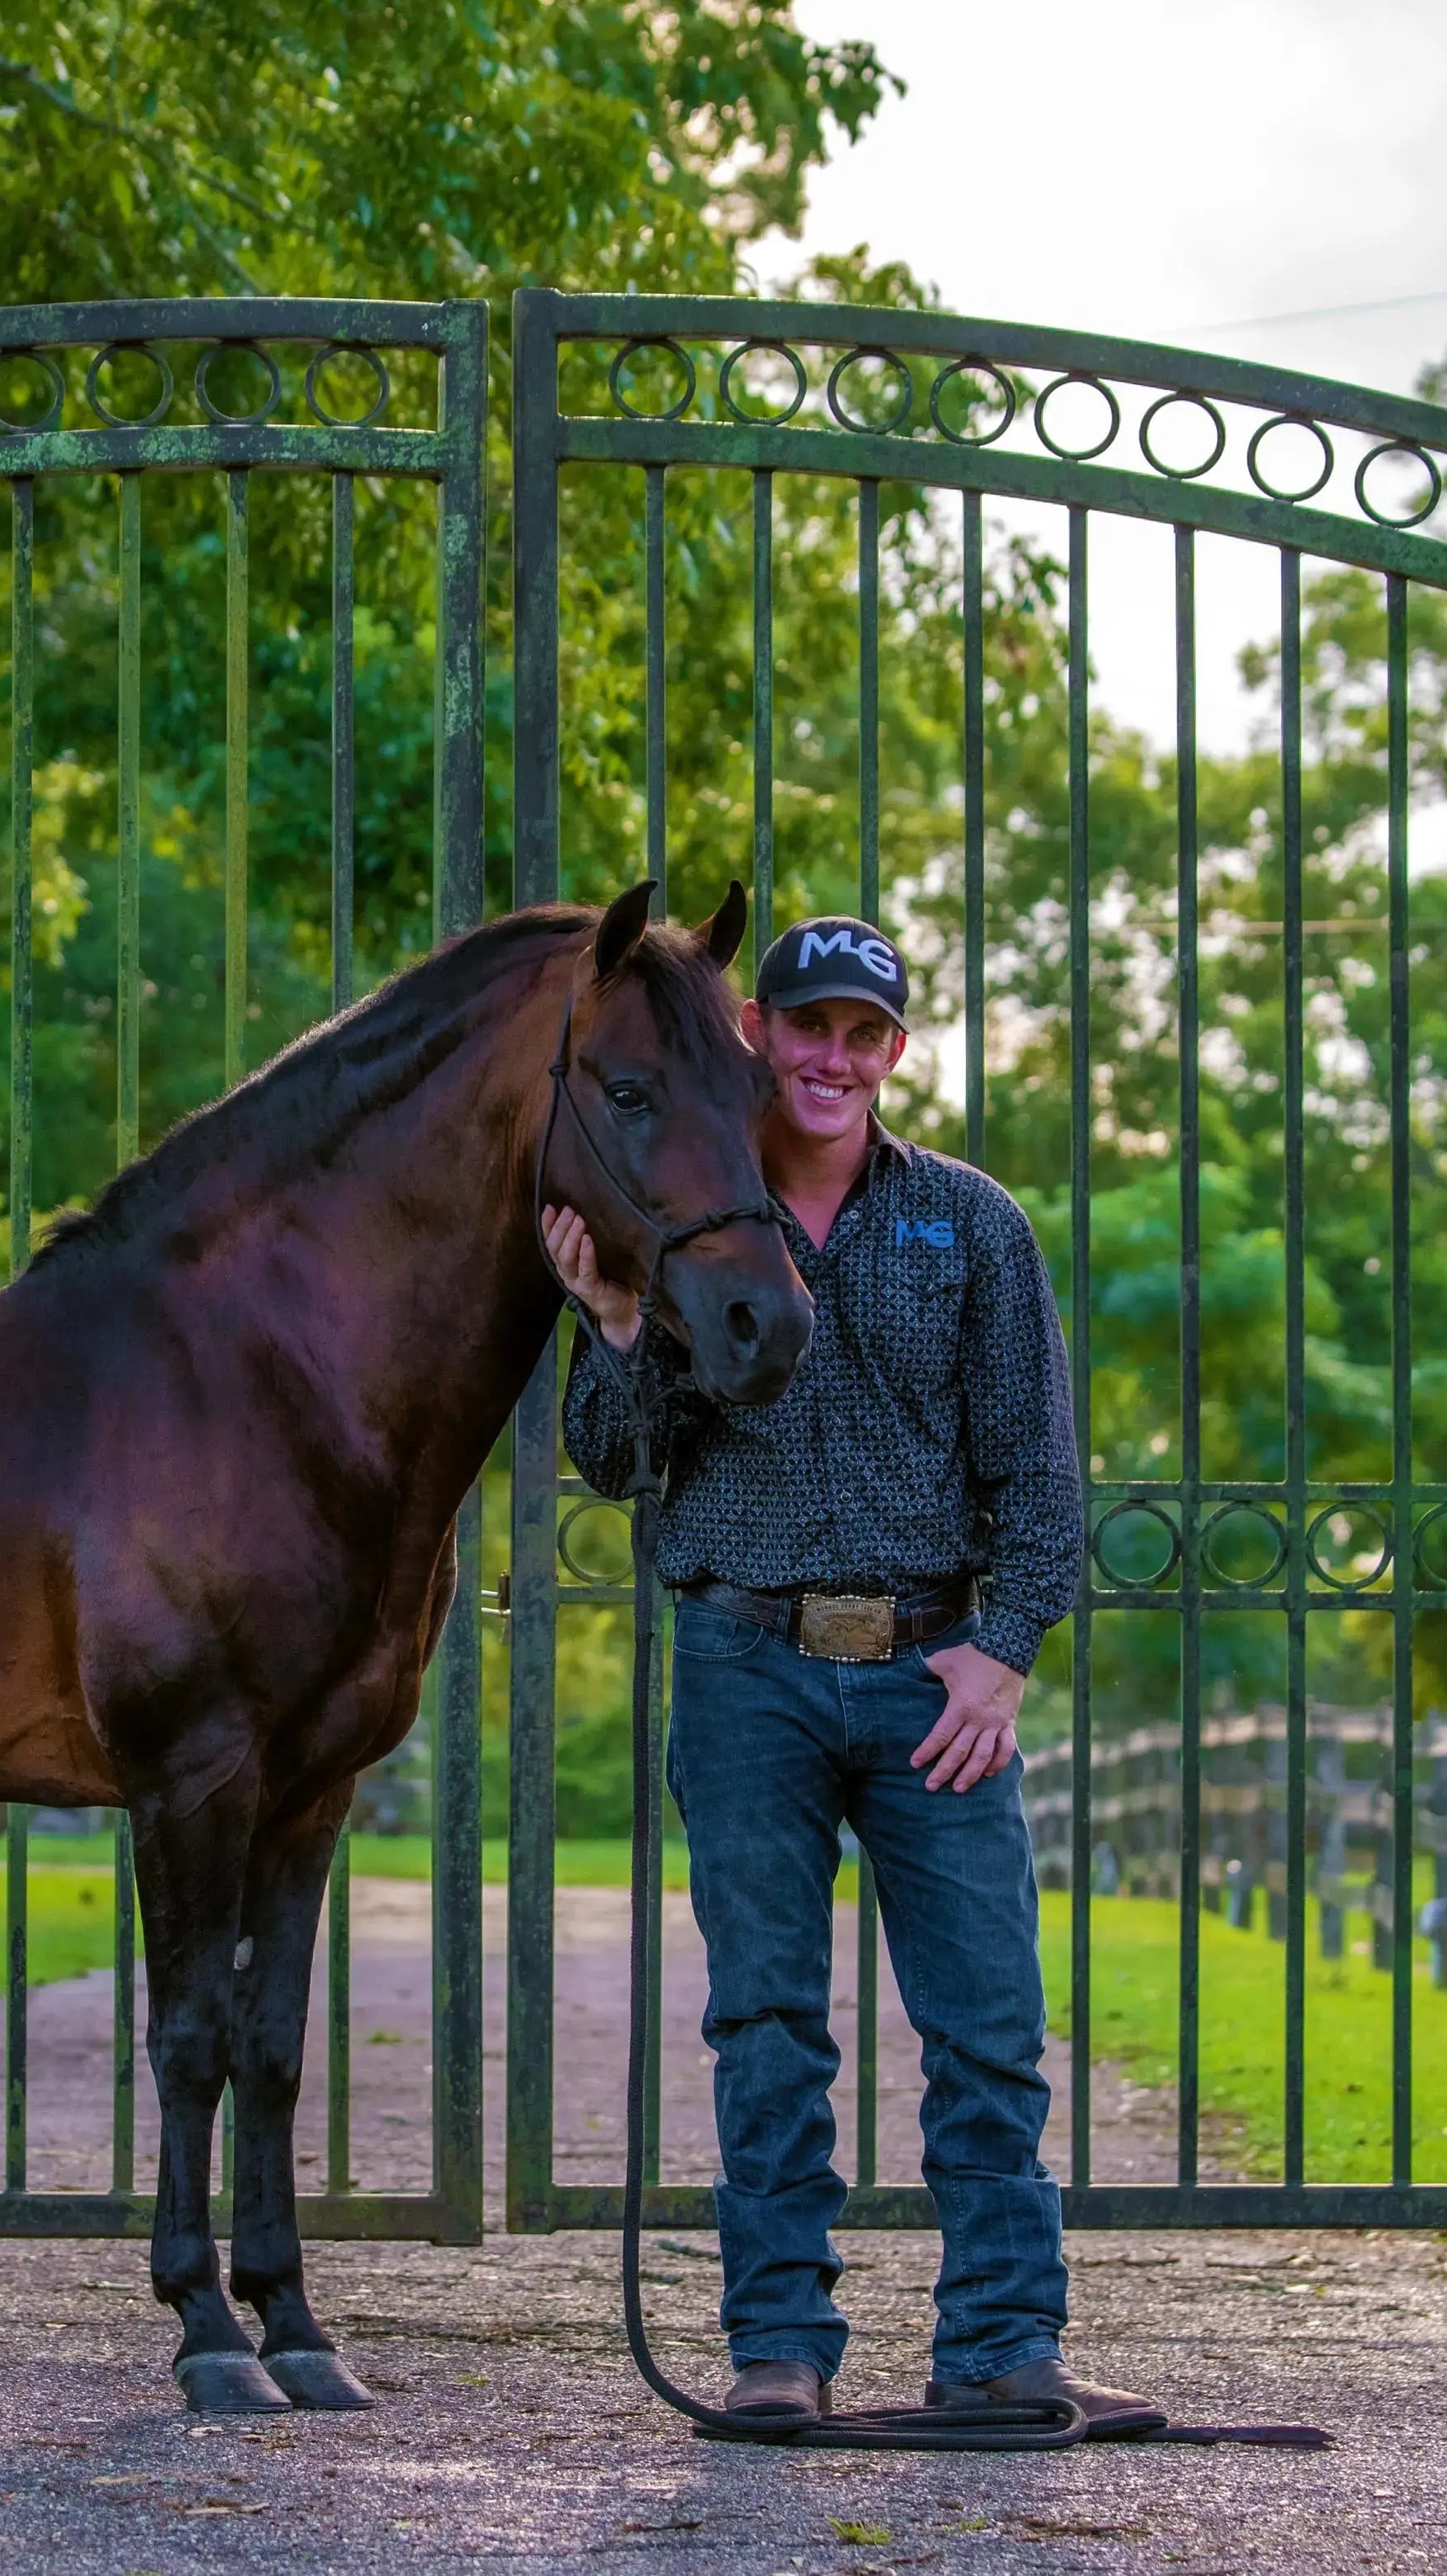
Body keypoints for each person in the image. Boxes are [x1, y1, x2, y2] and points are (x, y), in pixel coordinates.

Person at [545, 911, 1160, 2436]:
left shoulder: (970, 1222)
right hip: (744, 1662)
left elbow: (1039, 1476)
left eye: (862, 1033)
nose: (833, 1057)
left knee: (988, 2024)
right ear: (756, 1031)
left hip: (931, 1678)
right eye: (808, 1025)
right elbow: (615, 1465)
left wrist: (1002, 1659)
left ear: (894, 1051)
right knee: (766, 2023)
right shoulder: (684, 1210)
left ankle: (1002, 2346)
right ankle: (779, 2347)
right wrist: (615, 1322)